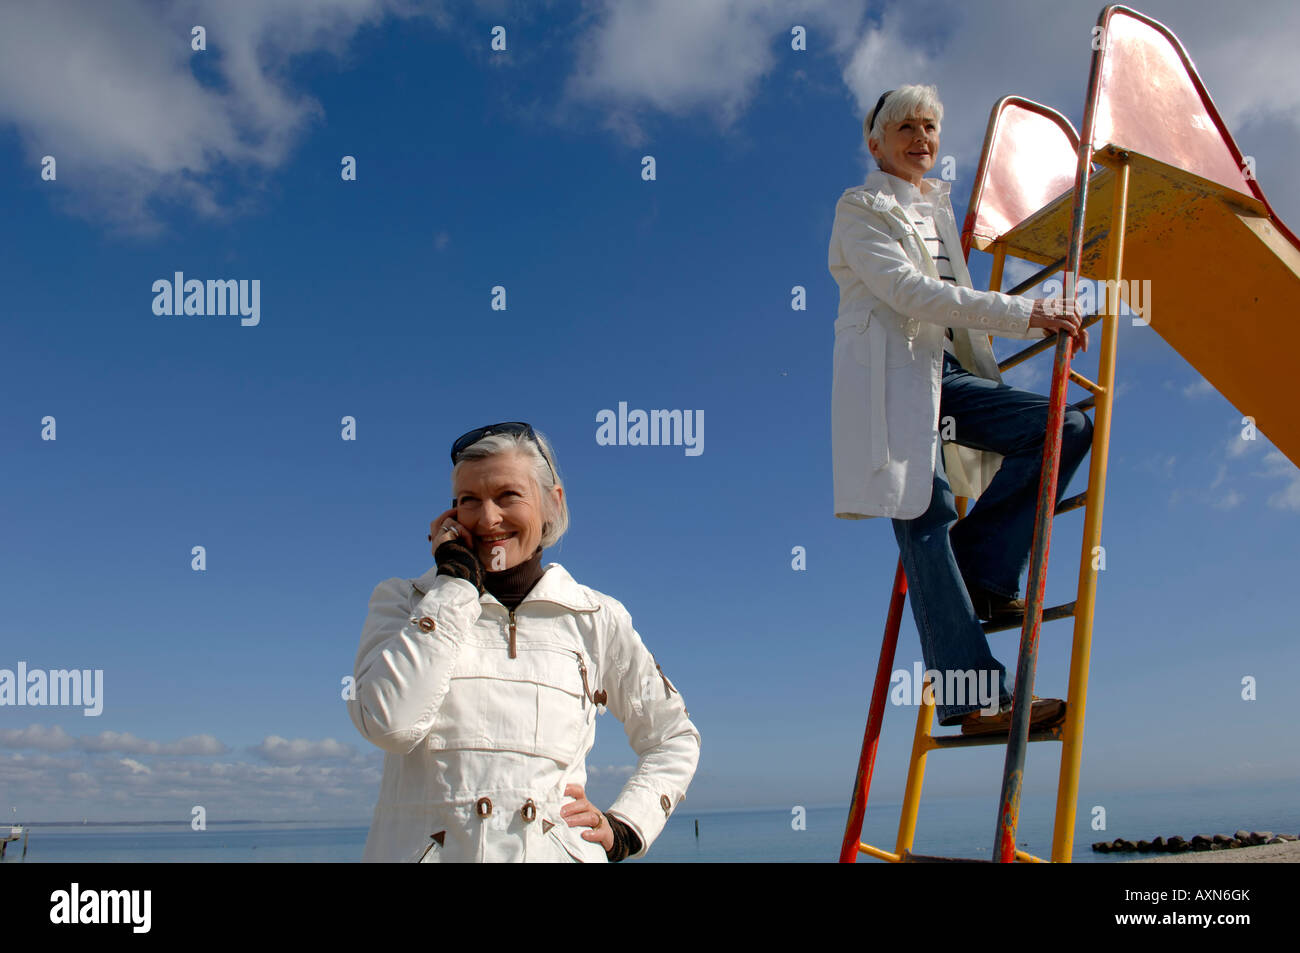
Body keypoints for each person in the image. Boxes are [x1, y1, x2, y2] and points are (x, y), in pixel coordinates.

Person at [828, 84, 1095, 734]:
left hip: (947, 379)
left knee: (1066, 424)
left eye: (930, 128)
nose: (921, 139)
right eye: (905, 129)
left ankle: (983, 568)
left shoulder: (936, 212)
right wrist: (1027, 312)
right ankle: (975, 698)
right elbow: (907, 292)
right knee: (925, 520)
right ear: (876, 143)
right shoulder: (860, 207)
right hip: (894, 383)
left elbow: (951, 297)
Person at [347, 421, 700, 861]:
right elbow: (389, 724)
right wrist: (455, 587)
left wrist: (627, 825)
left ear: (552, 504)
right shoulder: (404, 601)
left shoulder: (597, 618)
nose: (488, 517)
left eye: (508, 495)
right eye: (468, 501)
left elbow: (672, 736)